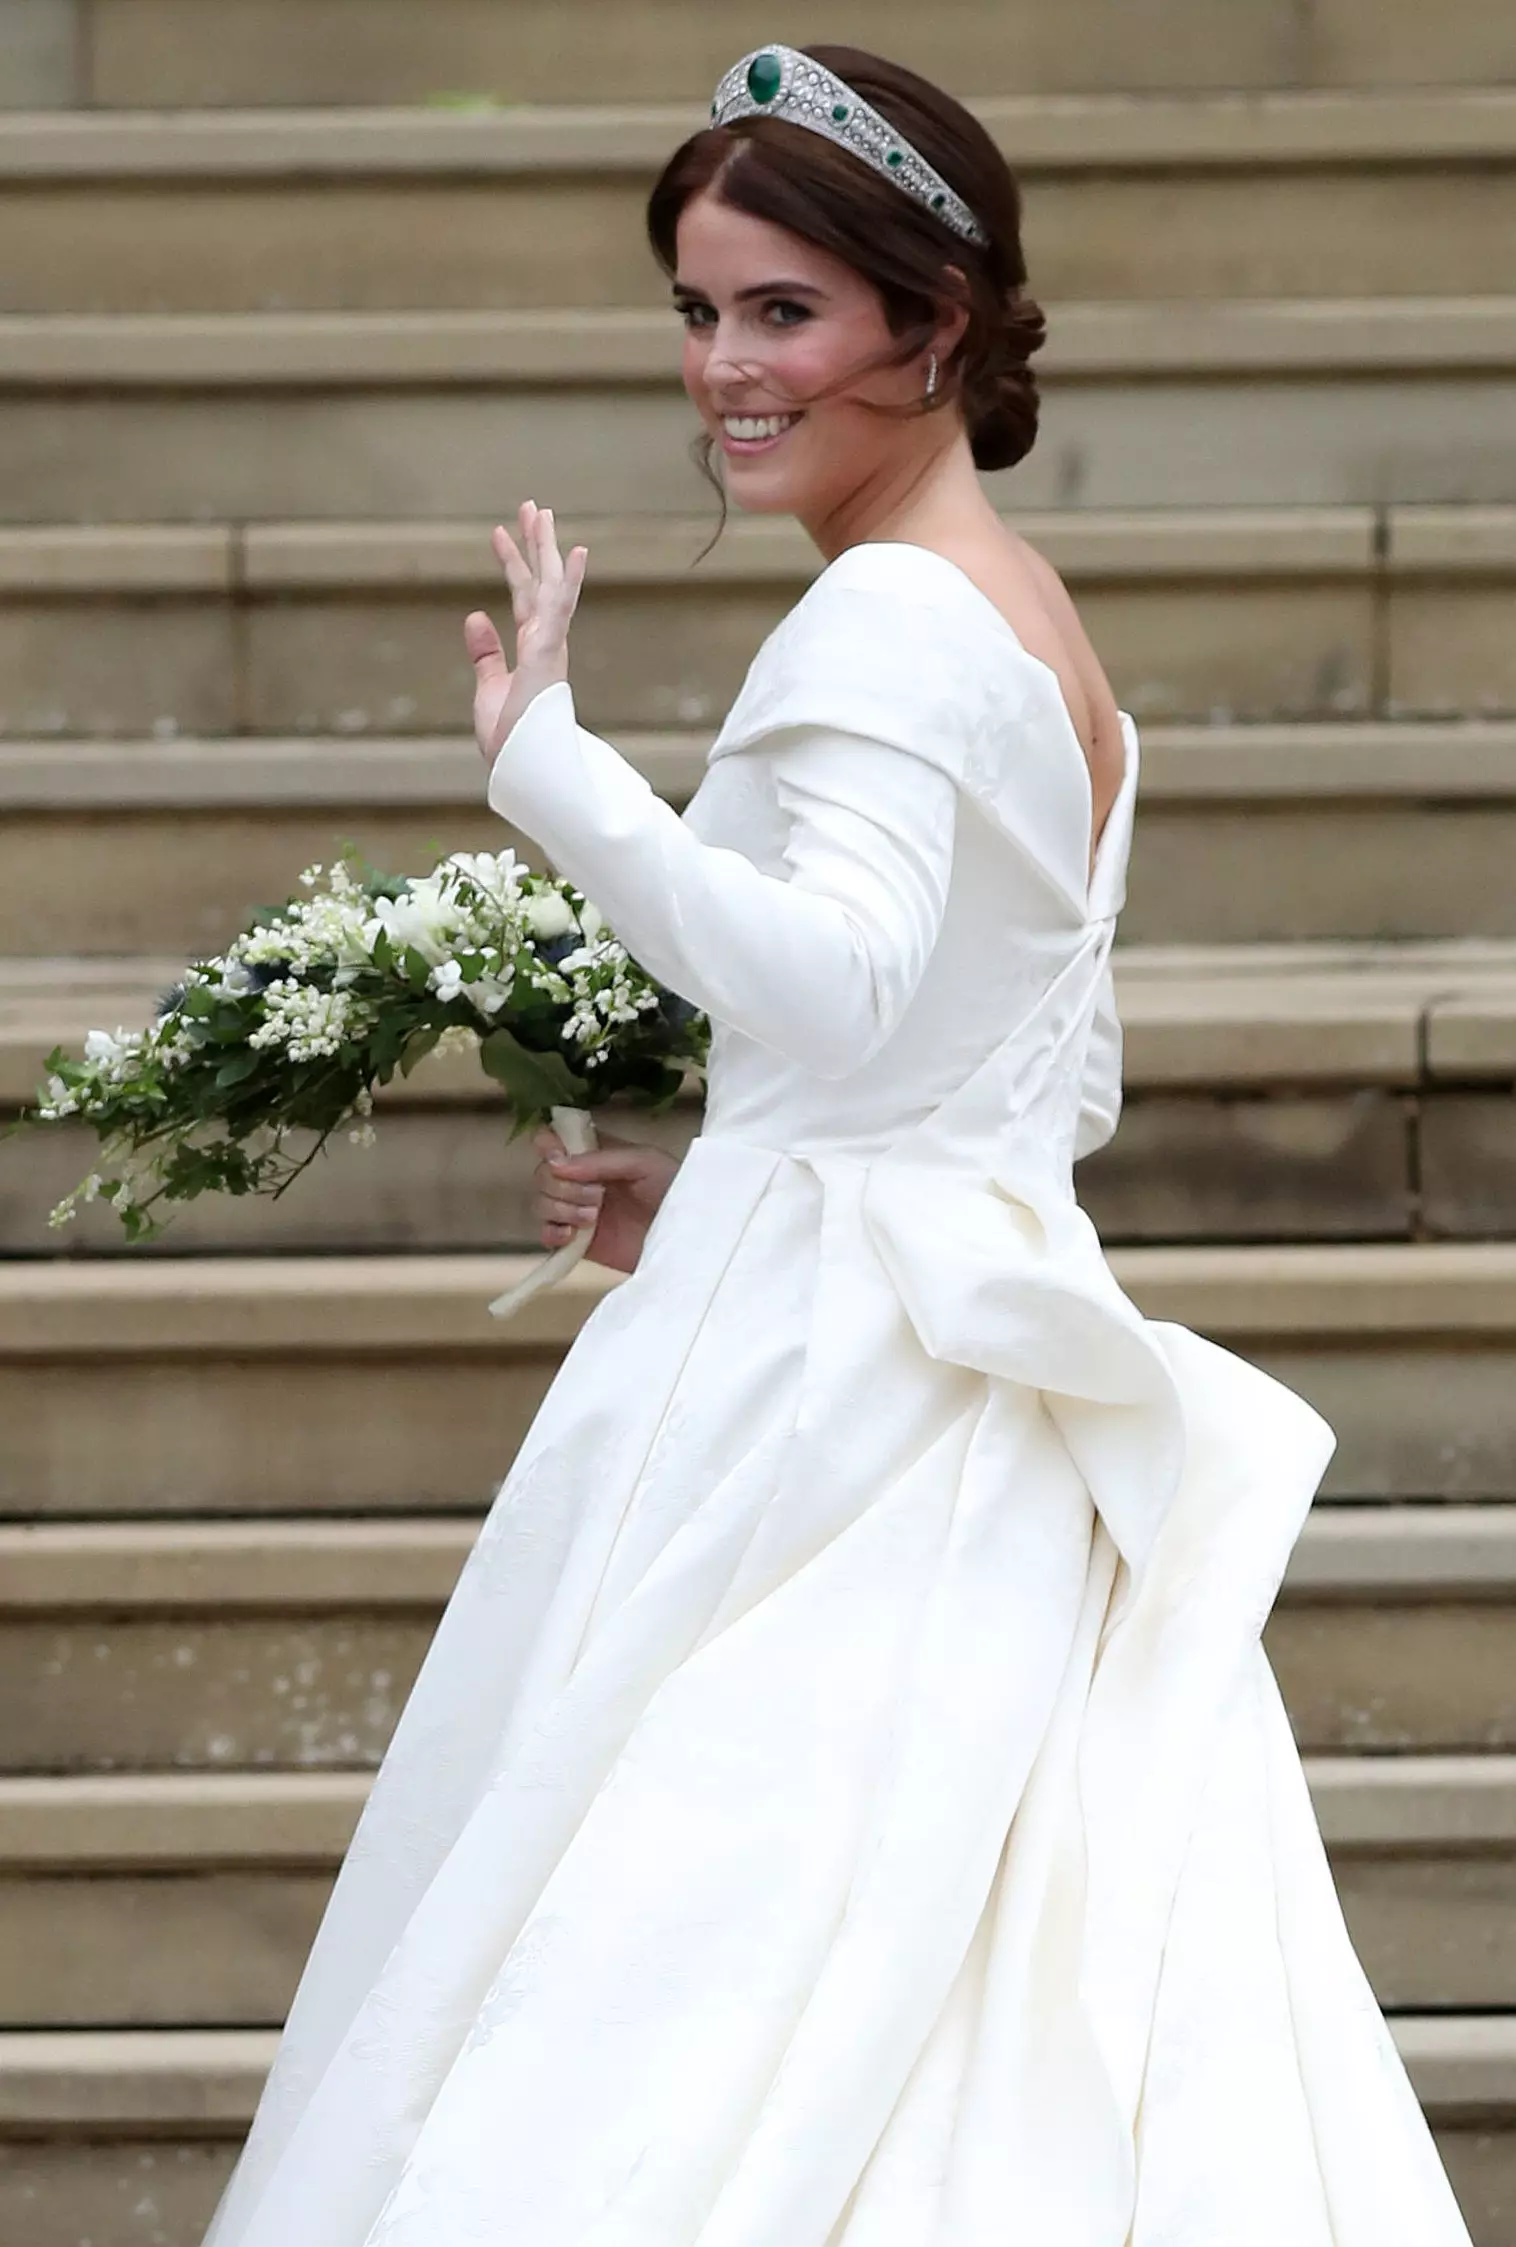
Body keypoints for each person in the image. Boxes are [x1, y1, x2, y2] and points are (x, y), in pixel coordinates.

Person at [202, 45, 1474, 2247]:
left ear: (935, 323)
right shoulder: (1034, 626)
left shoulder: (882, 620)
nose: (722, 369)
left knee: (680, 1967)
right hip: (950, 1355)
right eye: (697, 313)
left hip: (821, 1414)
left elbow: (846, 988)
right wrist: (729, 1171)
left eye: (778, 311)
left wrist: (553, 772)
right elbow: (1026, 1082)